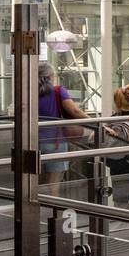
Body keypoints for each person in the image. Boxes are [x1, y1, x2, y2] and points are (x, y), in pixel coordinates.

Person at [37, 63, 88, 195]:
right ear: (50, 76)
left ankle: (34, 208)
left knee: (35, 178)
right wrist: (96, 123)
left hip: (33, 141)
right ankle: (54, 208)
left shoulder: (28, 93)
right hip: (55, 142)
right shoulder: (58, 91)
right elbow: (75, 111)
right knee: (54, 180)